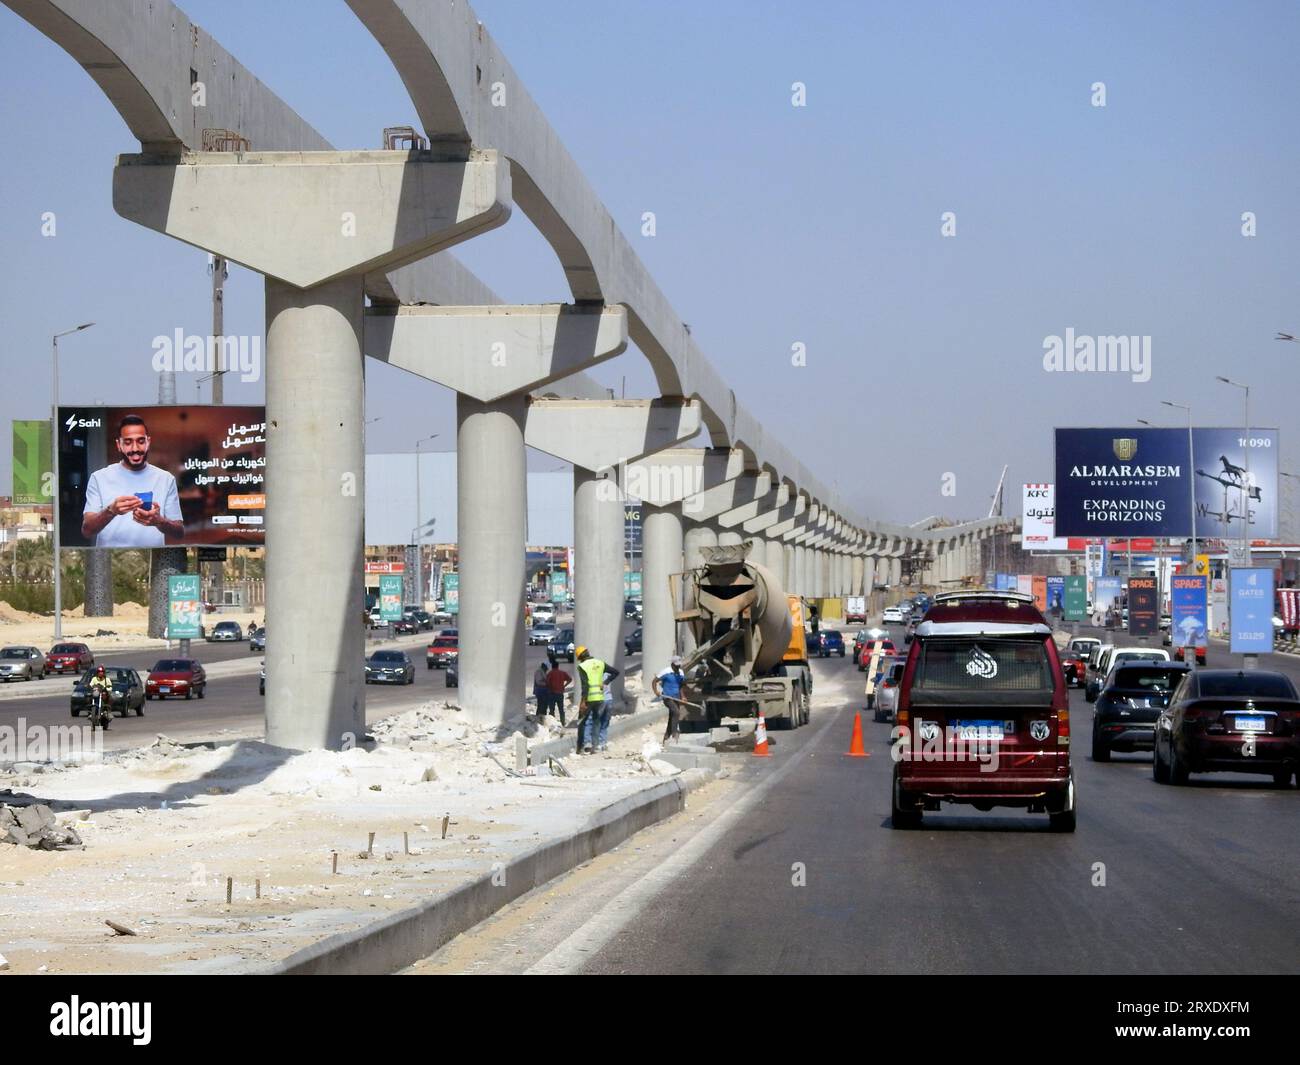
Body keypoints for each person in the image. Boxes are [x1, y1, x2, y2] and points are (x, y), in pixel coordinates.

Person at [81, 415, 183, 547]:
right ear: (119, 445)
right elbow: (87, 530)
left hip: (151, 557)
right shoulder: (99, 478)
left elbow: (179, 532)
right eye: (128, 442)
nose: (135, 448)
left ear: (148, 442)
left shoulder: (166, 479)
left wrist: (160, 521)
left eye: (141, 441)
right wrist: (111, 511)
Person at [575, 645, 621, 754]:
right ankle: (597, 745)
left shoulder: (582, 666)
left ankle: (587, 744)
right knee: (597, 721)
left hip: (590, 697)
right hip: (600, 697)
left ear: (580, 657)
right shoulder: (600, 663)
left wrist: (583, 701)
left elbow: (585, 685)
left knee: (587, 721)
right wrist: (606, 682)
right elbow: (615, 672)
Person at [653, 655, 687, 743]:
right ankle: (674, 734)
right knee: (676, 712)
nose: (678, 666)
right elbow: (654, 681)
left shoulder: (681, 673)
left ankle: (666, 737)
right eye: (676, 665)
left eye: (679, 665)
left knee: (672, 716)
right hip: (667, 697)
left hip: (677, 697)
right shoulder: (666, 672)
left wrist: (683, 696)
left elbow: (681, 686)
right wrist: (656, 691)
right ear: (672, 664)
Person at [544, 657, 574, 725]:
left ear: (552, 666)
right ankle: (563, 722)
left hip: (552, 693)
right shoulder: (562, 673)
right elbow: (570, 679)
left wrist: (549, 688)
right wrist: (564, 685)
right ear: (558, 666)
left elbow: (547, 683)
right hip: (560, 693)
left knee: (552, 709)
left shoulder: (550, 673)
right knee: (561, 709)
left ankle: (552, 723)